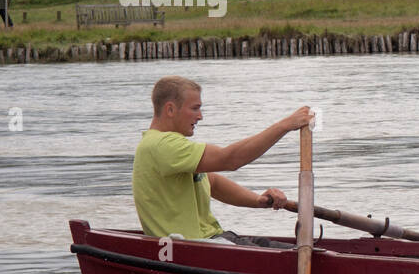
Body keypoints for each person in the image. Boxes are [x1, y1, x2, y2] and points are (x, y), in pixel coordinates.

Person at [132, 75, 314, 244]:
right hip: (198, 248)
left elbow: (213, 182)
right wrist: (285, 125)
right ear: (170, 109)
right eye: (195, 108)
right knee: (296, 259)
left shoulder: (167, 148)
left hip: (214, 240)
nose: (200, 116)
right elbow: (230, 159)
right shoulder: (162, 145)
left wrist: (258, 200)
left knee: (281, 249)